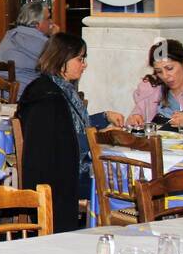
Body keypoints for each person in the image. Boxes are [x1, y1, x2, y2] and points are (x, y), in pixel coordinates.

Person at [17, 33, 125, 234]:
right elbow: (65, 145)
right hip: (59, 181)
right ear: (62, 60)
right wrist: (100, 137)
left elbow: (71, 128)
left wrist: (104, 117)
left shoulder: (57, 88)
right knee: (120, 186)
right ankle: (106, 235)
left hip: (65, 171)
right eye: (80, 59)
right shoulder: (48, 98)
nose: (84, 65)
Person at [126, 39, 183, 133]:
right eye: (159, 71)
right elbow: (135, 117)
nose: (165, 76)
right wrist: (134, 120)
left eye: (169, 68)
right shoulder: (152, 88)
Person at [0, 0, 56, 88]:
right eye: (48, 19)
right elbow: (58, 65)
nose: (51, 22)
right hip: (20, 94)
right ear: (37, 24)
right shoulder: (41, 41)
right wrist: (55, 37)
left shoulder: (9, 35)